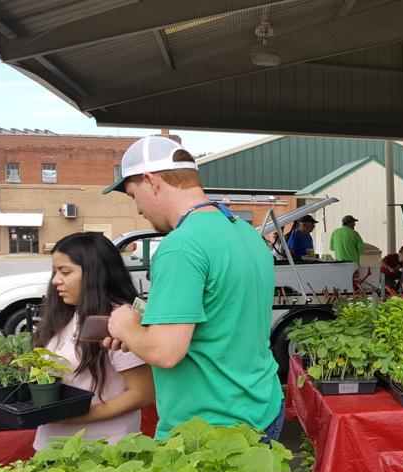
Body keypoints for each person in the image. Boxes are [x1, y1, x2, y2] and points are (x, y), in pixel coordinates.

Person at [101, 134, 284, 443]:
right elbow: (222, 318)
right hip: (262, 408)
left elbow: (165, 352)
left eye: (133, 195)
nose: (139, 209)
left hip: (210, 430)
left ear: (151, 180)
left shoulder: (180, 247)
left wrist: (124, 324)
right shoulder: (245, 233)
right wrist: (139, 334)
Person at [30, 231, 155, 452]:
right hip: (52, 445)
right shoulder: (66, 315)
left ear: (94, 274)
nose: (56, 280)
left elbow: (142, 393)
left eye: (65, 272)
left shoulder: (120, 319)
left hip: (102, 451)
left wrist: (77, 417)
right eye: (55, 271)